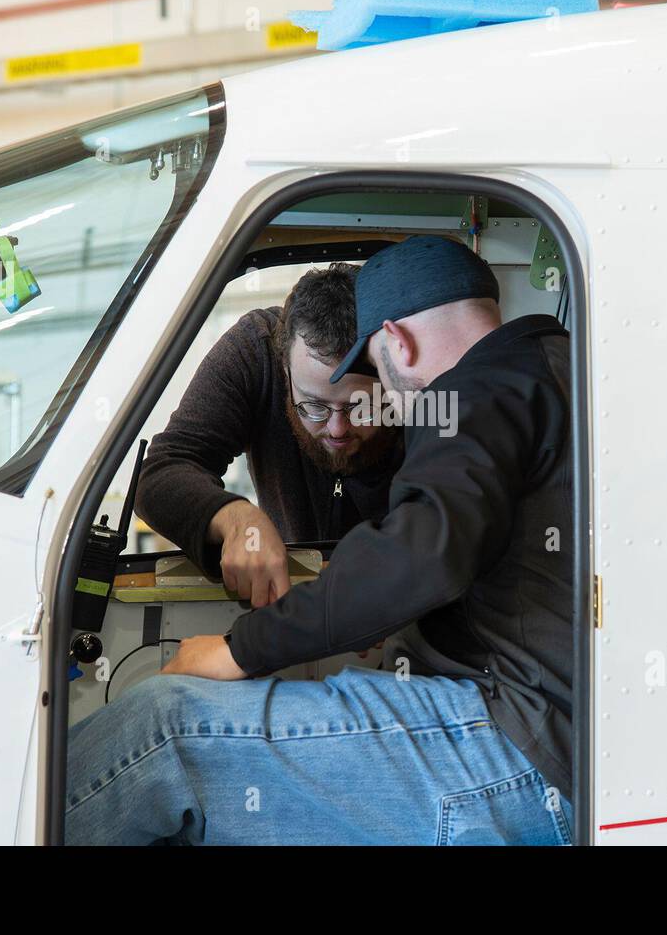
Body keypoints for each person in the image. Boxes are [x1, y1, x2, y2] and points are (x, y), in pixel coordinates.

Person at [67, 236, 574, 845]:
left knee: (164, 728)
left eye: (371, 392)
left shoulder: (463, 397)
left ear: (398, 341)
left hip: (511, 743)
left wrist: (237, 650)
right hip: (545, 738)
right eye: (313, 406)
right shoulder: (558, 365)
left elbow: (418, 558)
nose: (341, 426)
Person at [135, 263, 400, 606]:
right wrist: (235, 519)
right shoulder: (255, 351)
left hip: (403, 598)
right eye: (314, 406)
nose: (337, 429)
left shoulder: (422, 373)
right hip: (291, 602)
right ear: (284, 368)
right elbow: (161, 472)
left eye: (360, 407)